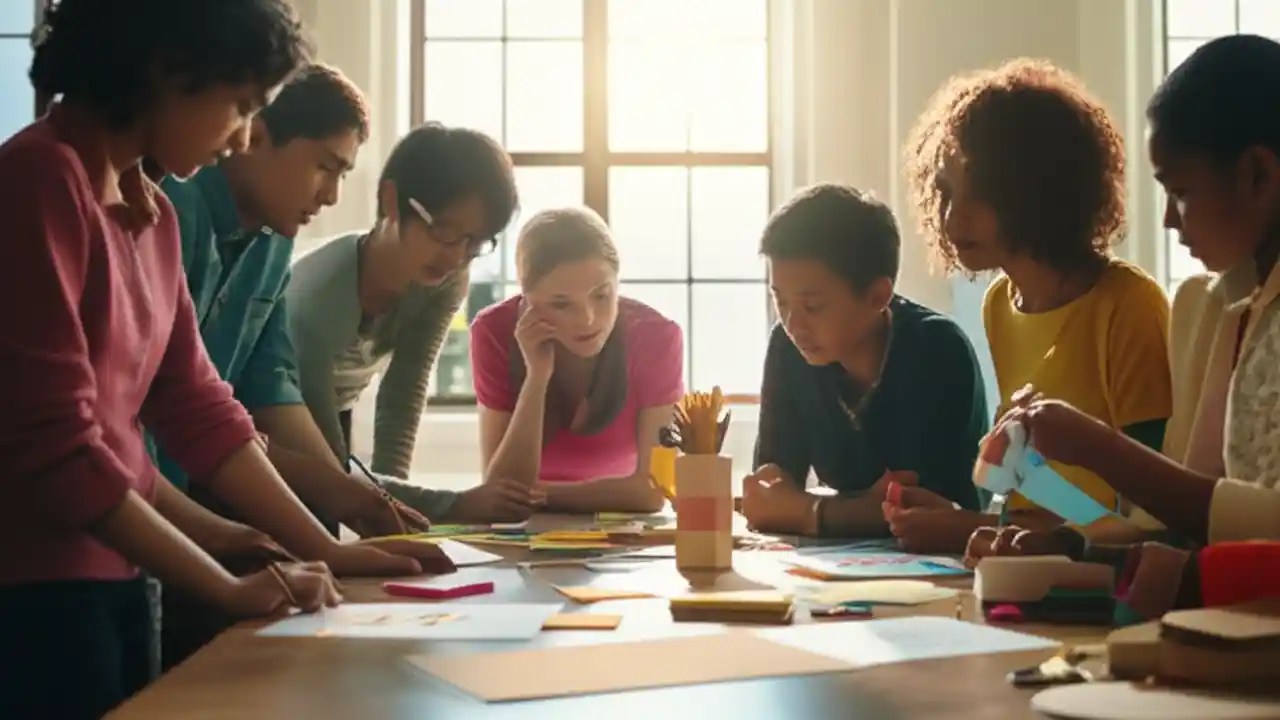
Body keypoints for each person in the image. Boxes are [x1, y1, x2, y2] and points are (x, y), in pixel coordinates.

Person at [0, 2, 446, 717]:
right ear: (170, 70)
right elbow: (57, 446)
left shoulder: (153, 214)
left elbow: (199, 409)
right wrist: (225, 584)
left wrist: (318, 547)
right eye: (240, 106)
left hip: (125, 578)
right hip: (34, 592)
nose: (242, 135)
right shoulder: (37, 179)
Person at [967, 35, 1280, 564]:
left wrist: (1100, 448)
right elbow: (1177, 527)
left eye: (1181, 192)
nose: (1169, 219)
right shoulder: (1213, 307)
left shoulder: (1132, 303)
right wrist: (1069, 547)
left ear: (1258, 175)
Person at [890, 58, 1173, 553]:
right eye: (946, 192)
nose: (954, 216)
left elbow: (1150, 517)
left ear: (1037, 188)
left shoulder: (1128, 306)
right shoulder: (999, 304)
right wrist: (967, 519)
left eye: (979, 192)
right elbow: (1032, 492)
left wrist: (969, 529)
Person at [158, 64, 434, 537]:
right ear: (255, 135)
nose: (332, 197)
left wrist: (349, 494)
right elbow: (173, 404)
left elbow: (270, 383)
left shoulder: (274, 240)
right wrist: (329, 529)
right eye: (325, 166)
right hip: (144, 496)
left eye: (343, 174)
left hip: (195, 488)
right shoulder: (173, 207)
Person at [288, 122, 537, 522]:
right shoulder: (316, 302)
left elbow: (405, 386)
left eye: (475, 243)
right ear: (392, 200)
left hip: (334, 411)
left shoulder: (445, 279)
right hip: (266, 427)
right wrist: (452, 505)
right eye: (445, 231)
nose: (456, 257)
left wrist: (396, 514)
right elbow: (329, 472)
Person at [740, 184, 987, 537]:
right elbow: (768, 493)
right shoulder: (788, 346)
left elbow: (922, 512)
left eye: (813, 306)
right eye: (781, 301)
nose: (794, 324)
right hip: (844, 558)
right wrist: (848, 511)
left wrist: (809, 512)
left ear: (877, 296)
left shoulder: (937, 349)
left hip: (944, 556)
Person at [472, 207, 682, 513]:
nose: (587, 320)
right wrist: (536, 377)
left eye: (601, 295)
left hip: (620, 530)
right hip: (523, 529)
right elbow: (499, 494)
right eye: (560, 304)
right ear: (527, 300)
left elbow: (655, 489)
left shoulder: (656, 336)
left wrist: (538, 495)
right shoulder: (494, 332)